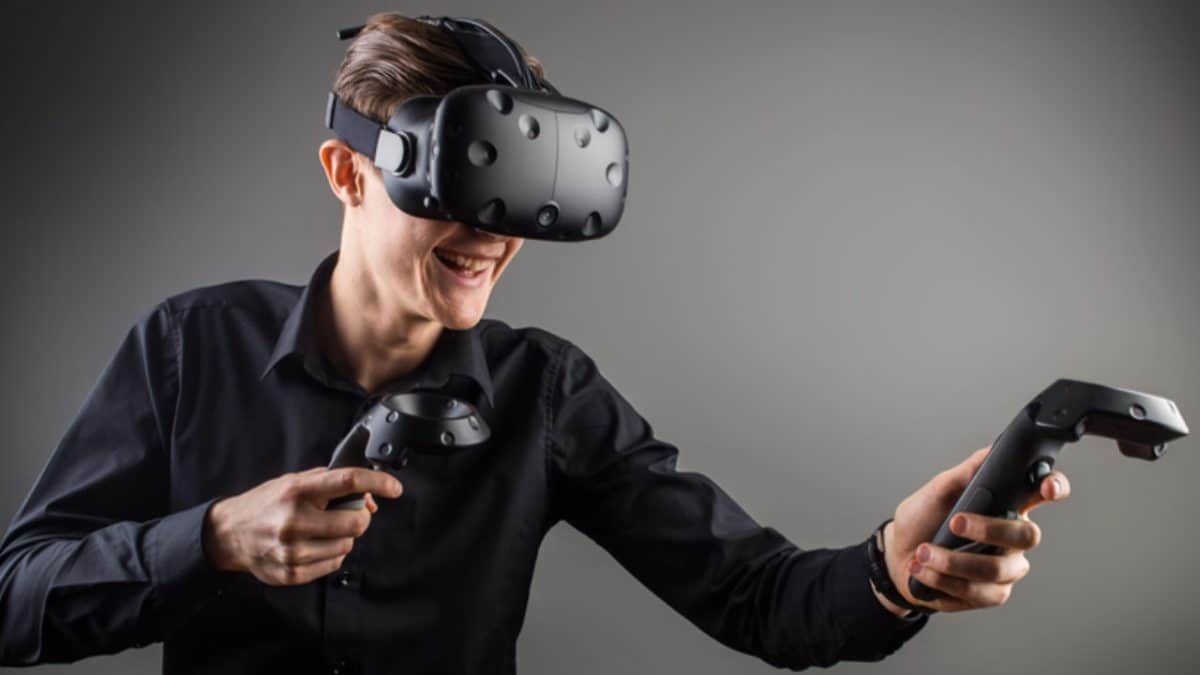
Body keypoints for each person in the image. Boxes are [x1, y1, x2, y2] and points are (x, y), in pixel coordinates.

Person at [0, 12, 1070, 674]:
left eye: (516, 199)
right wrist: (217, 538)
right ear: (348, 173)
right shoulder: (193, 348)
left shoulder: (545, 391)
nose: (492, 238)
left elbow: (763, 603)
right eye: (457, 190)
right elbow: (17, 603)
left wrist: (901, 566)